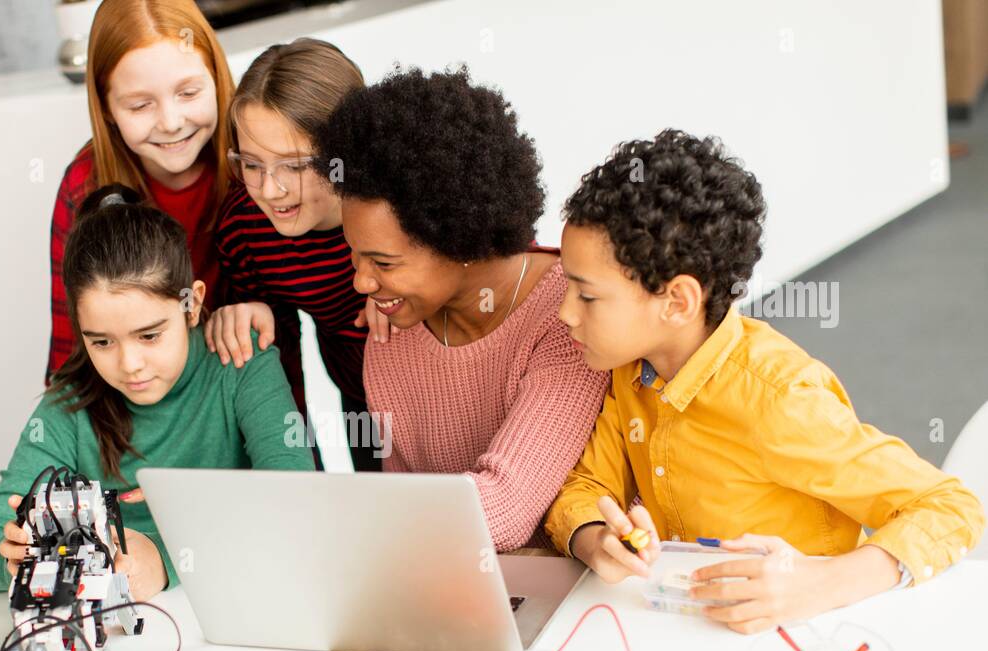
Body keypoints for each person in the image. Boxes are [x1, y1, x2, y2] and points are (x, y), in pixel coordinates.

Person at [545, 129, 985, 633]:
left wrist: (823, 583)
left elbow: (951, 507)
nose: (564, 314)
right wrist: (593, 534)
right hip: (690, 630)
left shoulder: (779, 400)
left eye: (587, 296)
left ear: (677, 302)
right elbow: (586, 484)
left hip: (806, 638)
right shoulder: (630, 372)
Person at [0, 186, 314, 600]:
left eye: (149, 335)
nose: (129, 365)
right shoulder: (70, 404)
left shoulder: (242, 363)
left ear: (192, 304)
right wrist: (13, 561)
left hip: (237, 601)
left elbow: (294, 502)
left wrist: (163, 558)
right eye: (102, 342)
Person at [310, 66, 610, 549]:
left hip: (575, 596)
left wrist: (347, 529)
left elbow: (505, 510)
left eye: (384, 262)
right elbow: (404, 502)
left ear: (459, 238)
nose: (361, 281)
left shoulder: (569, 319)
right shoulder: (391, 337)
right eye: (355, 254)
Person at [207, 38, 382, 470]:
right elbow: (280, 376)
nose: (271, 189)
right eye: (251, 164)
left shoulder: (393, 201)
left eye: (295, 165)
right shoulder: (245, 229)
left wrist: (406, 293)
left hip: (436, 392)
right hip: (356, 391)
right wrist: (300, 471)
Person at [45, 0, 236, 380]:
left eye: (188, 93)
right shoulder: (84, 187)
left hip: (250, 393)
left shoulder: (255, 164)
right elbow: (71, 356)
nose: (170, 122)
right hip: (137, 418)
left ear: (216, 78)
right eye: (140, 105)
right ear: (107, 109)